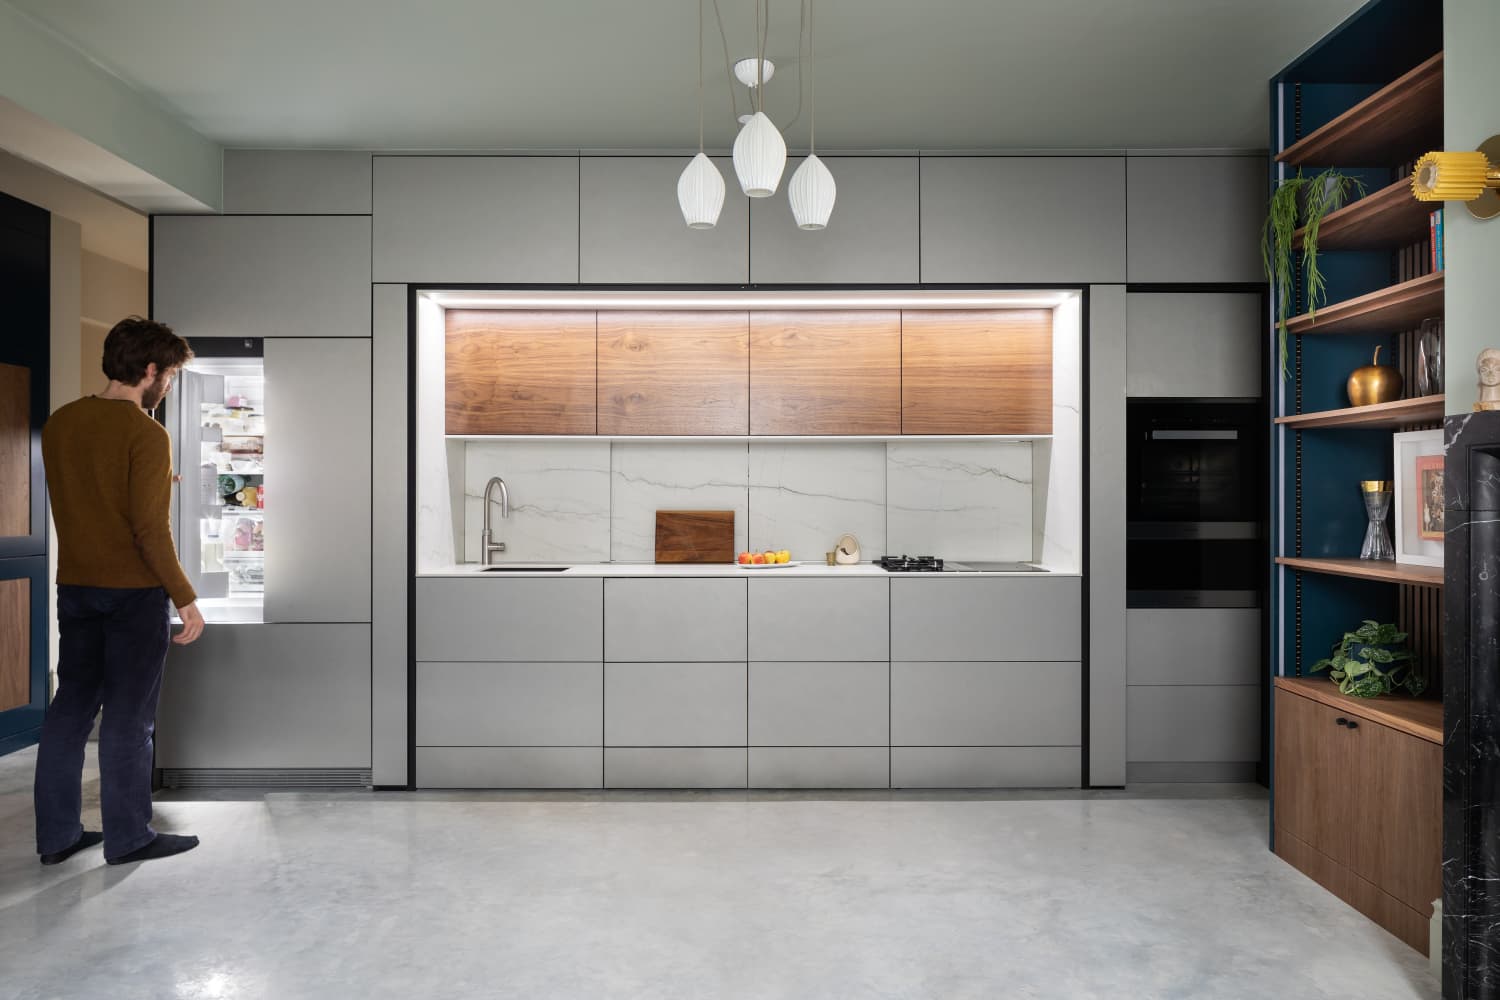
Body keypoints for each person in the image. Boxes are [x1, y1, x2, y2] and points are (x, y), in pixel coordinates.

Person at [34, 316, 205, 866]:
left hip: (76, 587)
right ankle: (130, 836)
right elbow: (148, 531)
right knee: (131, 717)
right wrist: (185, 597)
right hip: (132, 594)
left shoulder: (61, 422)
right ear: (150, 370)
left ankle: (58, 836)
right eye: (171, 375)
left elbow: (91, 497)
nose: (170, 386)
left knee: (71, 709)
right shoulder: (146, 433)